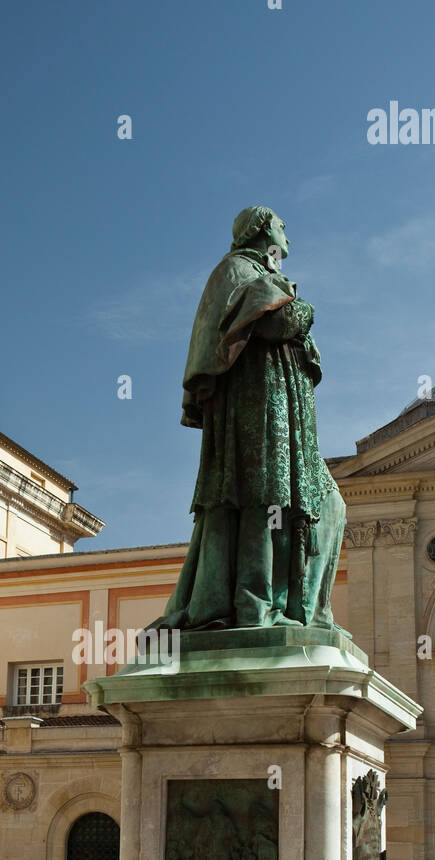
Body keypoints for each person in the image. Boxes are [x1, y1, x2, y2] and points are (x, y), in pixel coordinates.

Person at [150, 206, 346, 632]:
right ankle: (258, 606)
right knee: (265, 495)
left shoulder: (256, 272)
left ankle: (302, 609)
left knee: (327, 504)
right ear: (260, 229)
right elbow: (275, 323)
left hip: (283, 408)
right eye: (280, 222)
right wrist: (301, 310)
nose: (287, 229)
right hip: (256, 407)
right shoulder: (235, 270)